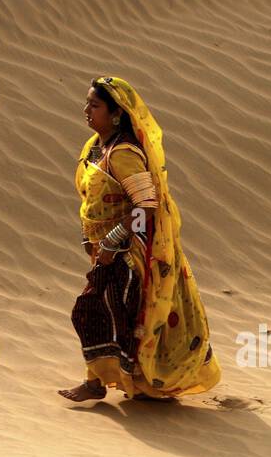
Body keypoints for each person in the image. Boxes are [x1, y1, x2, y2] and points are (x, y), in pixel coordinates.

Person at [59, 76, 221, 402]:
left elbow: (145, 208)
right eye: (87, 103)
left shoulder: (123, 154)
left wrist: (111, 244)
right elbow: (89, 200)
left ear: (115, 113)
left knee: (96, 312)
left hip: (127, 255)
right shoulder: (94, 148)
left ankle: (109, 383)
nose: (86, 110)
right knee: (111, 315)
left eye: (94, 105)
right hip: (103, 252)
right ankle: (115, 382)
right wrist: (90, 239)